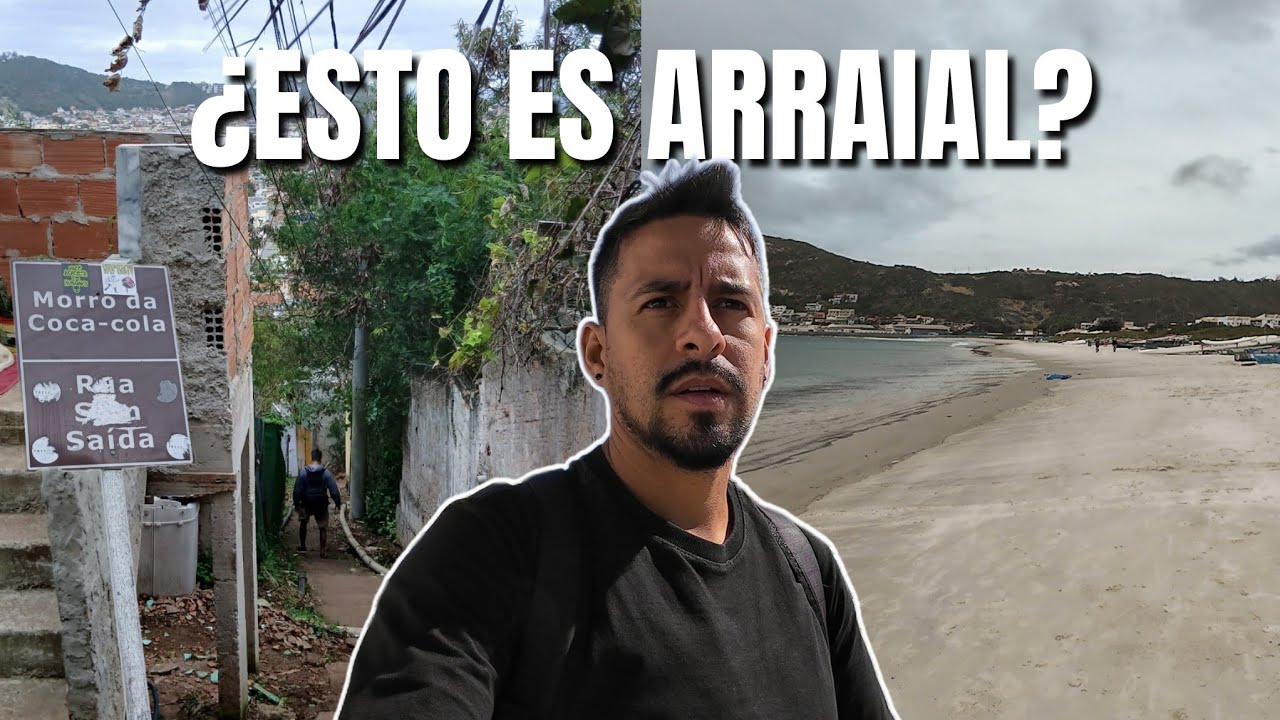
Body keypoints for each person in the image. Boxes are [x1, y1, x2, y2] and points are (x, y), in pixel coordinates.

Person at [336, 159, 900, 719]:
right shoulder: (491, 552)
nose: (704, 335)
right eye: (660, 303)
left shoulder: (810, 573)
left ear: (768, 352)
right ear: (597, 354)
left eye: (732, 304)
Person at [294, 447, 342, 556]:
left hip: (306, 502)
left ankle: (302, 545)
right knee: (322, 527)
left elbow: (297, 489)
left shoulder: (303, 472)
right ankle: (322, 551)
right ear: (320, 458)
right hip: (321, 503)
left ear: (312, 458)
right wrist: (337, 502)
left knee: (303, 522)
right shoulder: (326, 473)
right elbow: (333, 489)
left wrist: (297, 503)